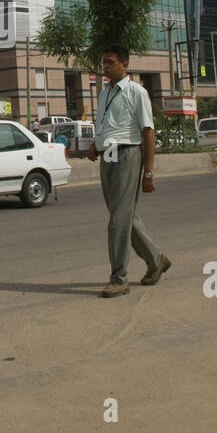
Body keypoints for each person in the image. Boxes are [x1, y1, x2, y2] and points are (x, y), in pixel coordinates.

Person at [86, 43, 169, 298]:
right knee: (123, 216)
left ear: (125, 65)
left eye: (110, 62)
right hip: (108, 154)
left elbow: (148, 132)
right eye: (104, 63)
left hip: (127, 154)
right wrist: (94, 145)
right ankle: (156, 260)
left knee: (117, 222)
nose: (105, 67)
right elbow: (107, 124)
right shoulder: (104, 93)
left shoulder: (136, 92)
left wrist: (149, 172)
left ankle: (119, 278)